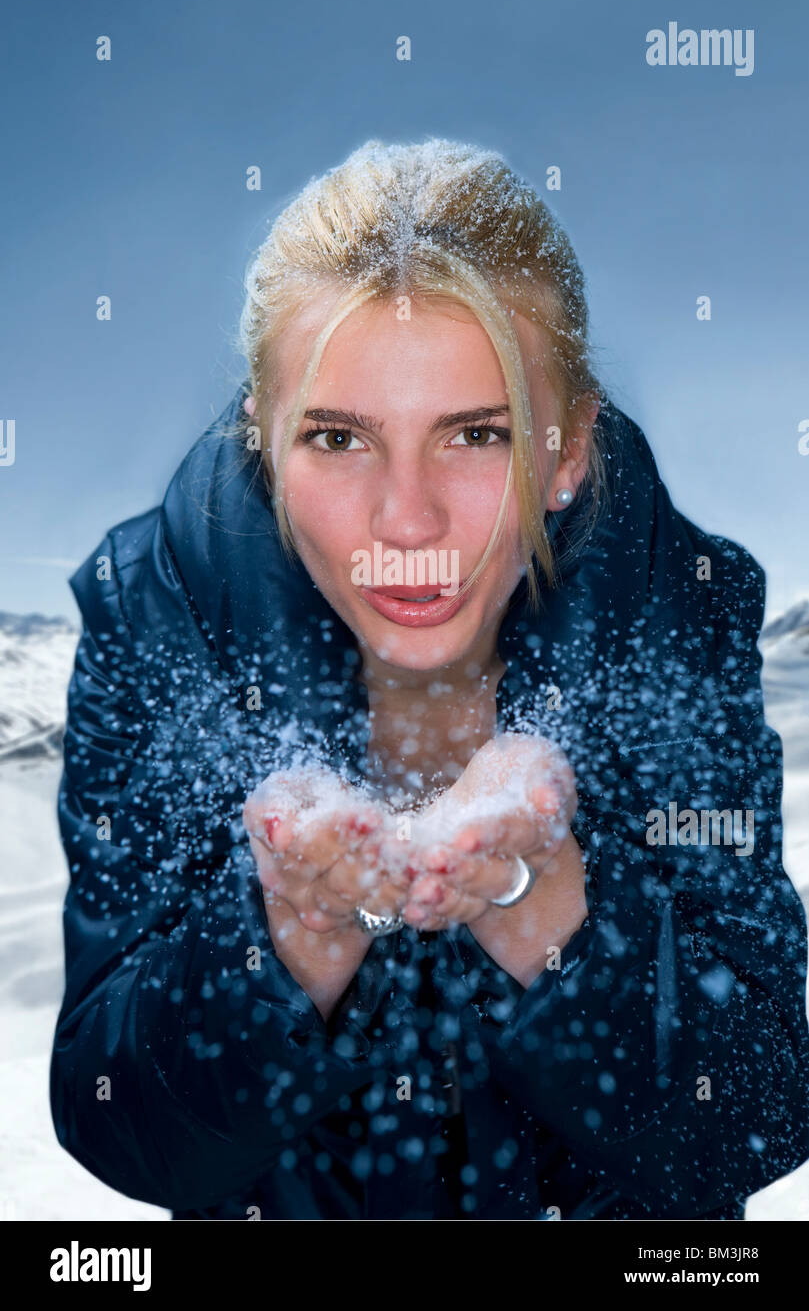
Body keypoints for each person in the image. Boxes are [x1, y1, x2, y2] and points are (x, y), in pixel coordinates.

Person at [50, 138, 809, 1220]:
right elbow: (112, 1116)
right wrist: (287, 944)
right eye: (337, 438)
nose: (405, 522)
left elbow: (762, 1107)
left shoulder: (666, 609)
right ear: (265, 443)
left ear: (565, 451)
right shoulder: (160, 611)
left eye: (474, 433)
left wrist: (549, 917)